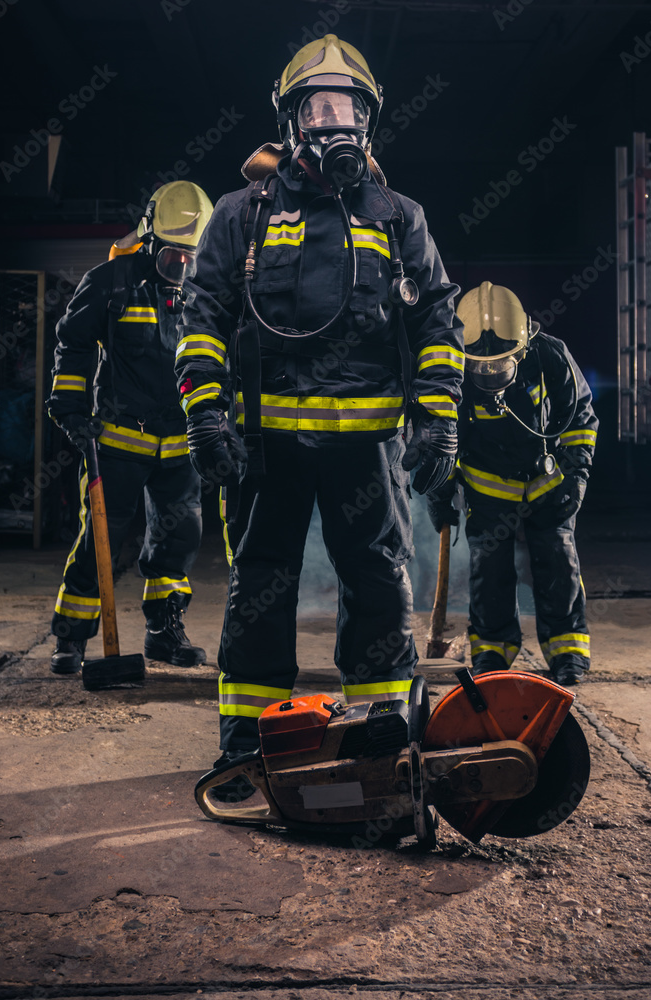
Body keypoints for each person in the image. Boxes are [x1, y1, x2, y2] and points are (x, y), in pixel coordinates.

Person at [175, 34, 464, 794]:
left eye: (348, 109)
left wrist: (439, 418)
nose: (334, 122)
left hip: (367, 449)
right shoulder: (243, 214)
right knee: (259, 584)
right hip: (266, 449)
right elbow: (201, 314)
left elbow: (436, 318)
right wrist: (206, 414)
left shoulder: (399, 217)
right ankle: (249, 740)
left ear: (369, 125)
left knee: (377, 582)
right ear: (291, 120)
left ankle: (379, 734)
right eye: (319, 106)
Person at [47, 181, 214, 674]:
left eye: (190, 258)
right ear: (150, 239)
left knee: (178, 538)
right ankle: (71, 639)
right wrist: (70, 409)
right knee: (101, 535)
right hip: (118, 440)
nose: (180, 269)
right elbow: (73, 345)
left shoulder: (202, 295)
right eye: (171, 258)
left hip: (180, 445)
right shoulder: (111, 282)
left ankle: (165, 632)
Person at [427, 281, 598, 686]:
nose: (489, 371)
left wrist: (576, 475)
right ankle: (491, 652)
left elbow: (580, 416)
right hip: (487, 490)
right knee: (490, 571)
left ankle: (567, 652)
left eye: (501, 361)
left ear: (523, 346)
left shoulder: (550, 355)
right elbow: (444, 434)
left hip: (547, 484)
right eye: (480, 365)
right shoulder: (452, 368)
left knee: (558, 562)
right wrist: (441, 489)